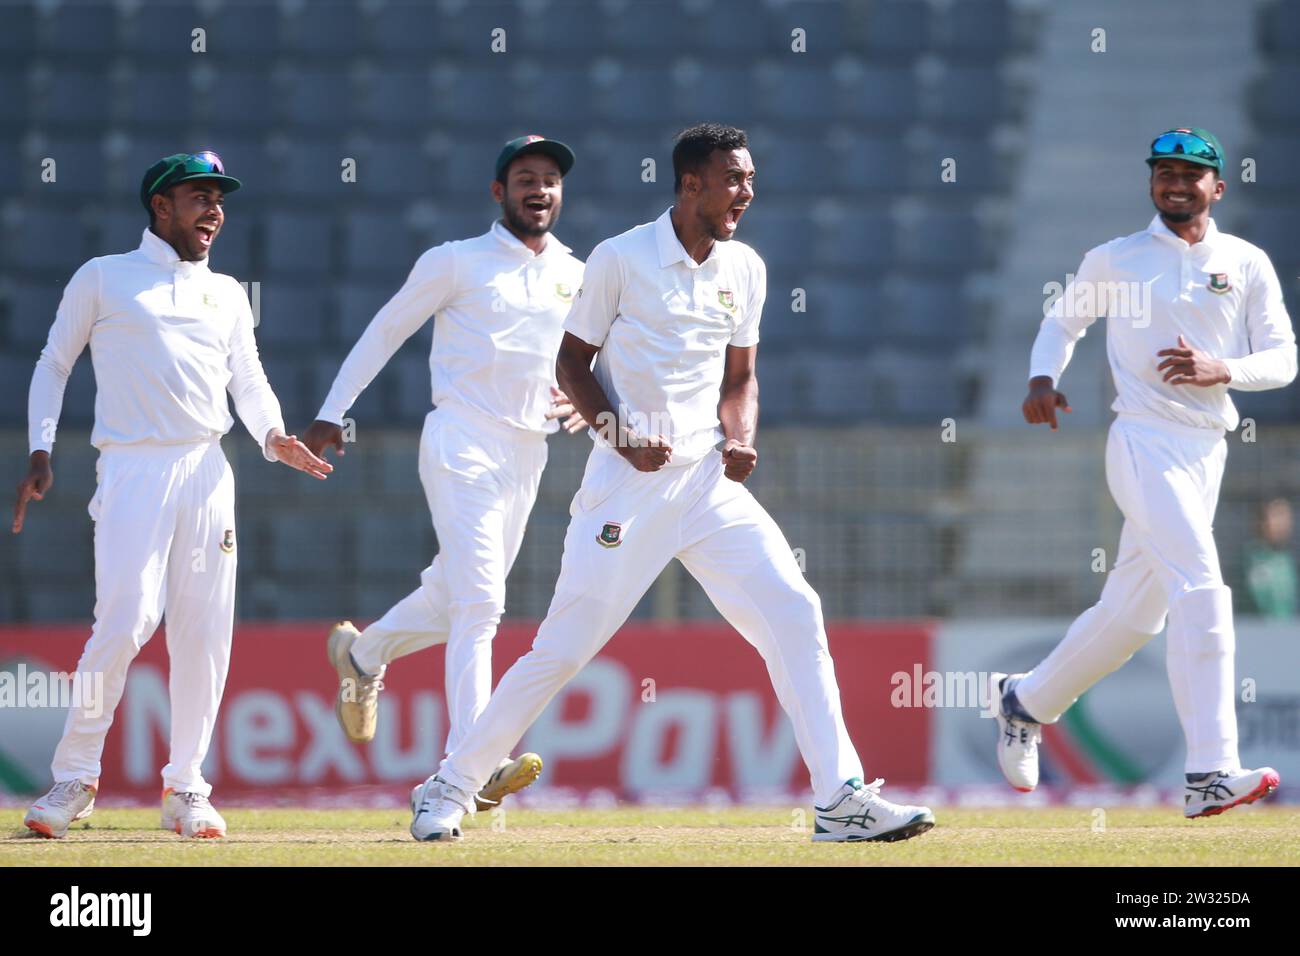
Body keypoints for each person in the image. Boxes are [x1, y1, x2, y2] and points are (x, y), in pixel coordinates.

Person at [406, 123, 936, 843]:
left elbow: (742, 378)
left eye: (748, 178)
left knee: (794, 609)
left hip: (707, 485)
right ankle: (451, 784)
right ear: (691, 184)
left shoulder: (745, 267)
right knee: (562, 650)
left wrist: (741, 436)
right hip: (626, 489)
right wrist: (619, 435)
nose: (746, 192)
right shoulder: (621, 257)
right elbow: (570, 365)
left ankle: (838, 798)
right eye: (734, 179)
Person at [16, 151, 331, 839]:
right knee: (124, 623)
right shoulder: (104, 278)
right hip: (133, 470)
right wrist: (41, 448)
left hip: (207, 470)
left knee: (204, 633)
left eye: (219, 199)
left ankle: (186, 787)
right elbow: (53, 362)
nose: (214, 210)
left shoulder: (224, 293)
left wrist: (273, 434)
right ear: (160, 206)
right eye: (199, 196)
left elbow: (246, 376)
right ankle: (76, 776)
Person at [999, 128, 1296, 817]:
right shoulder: (1117, 259)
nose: (1175, 183)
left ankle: (1025, 700)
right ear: (1151, 183)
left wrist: (1227, 369)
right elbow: (1062, 323)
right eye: (1163, 172)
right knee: (1200, 585)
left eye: (1191, 175)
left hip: (1206, 449)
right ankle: (1210, 772)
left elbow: (1284, 357)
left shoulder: (1245, 262)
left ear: (1217, 188)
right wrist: (1043, 378)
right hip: (1141, 439)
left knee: (1132, 619)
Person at [304, 136, 586, 811]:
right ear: (499, 191)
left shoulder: (576, 272)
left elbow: (596, 356)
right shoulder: (455, 262)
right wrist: (331, 413)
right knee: (483, 602)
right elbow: (384, 331)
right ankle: (473, 758)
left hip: (527, 450)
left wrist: (586, 395)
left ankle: (363, 657)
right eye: (525, 178)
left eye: (550, 179)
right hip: (461, 437)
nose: (539, 189)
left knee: (451, 596)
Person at [1241, 498, 1297, 618]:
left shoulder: (1287, 559)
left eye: (1285, 517)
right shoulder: (1252, 559)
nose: (1282, 524)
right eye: (1277, 517)